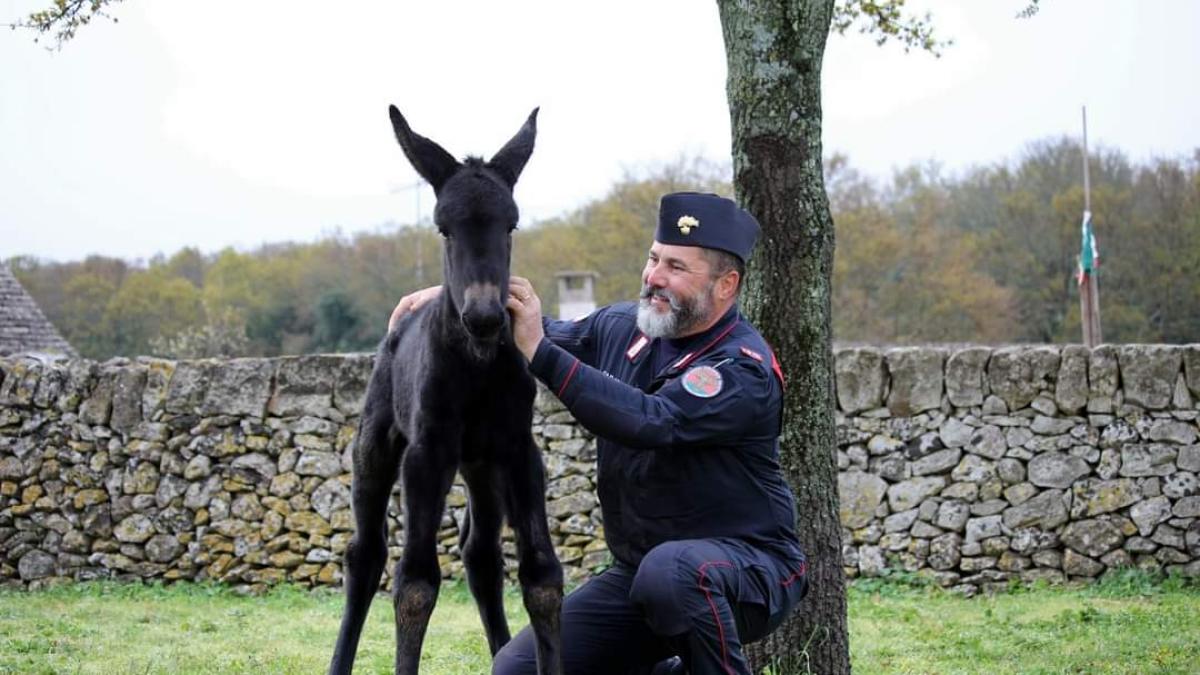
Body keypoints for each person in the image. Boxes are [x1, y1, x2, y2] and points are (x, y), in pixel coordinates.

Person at [389, 192, 808, 675]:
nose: (655, 277)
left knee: (672, 574)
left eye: (676, 266)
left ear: (724, 285)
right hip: (643, 576)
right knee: (518, 670)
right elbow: (533, 331)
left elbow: (652, 420)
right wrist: (463, 298)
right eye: (653, 259)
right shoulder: (622, 328)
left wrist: (540, 352)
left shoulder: (739, 368)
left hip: (751, 571)